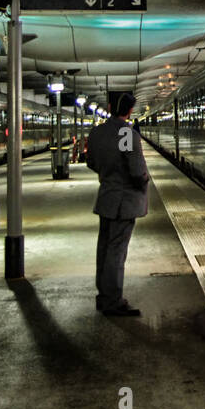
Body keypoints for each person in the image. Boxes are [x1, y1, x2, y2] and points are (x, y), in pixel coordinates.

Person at [86, 93, 149, 317]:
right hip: (123, 201)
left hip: (106, 197)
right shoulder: (125, 133)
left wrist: (108, 175)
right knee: (116, 252)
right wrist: (143, 181)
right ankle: (113, 301)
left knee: (104, 249)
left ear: (111, 107)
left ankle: (104, 296)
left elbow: (91, 161)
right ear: (130, 111)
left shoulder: (98, 131)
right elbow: (135, 169)